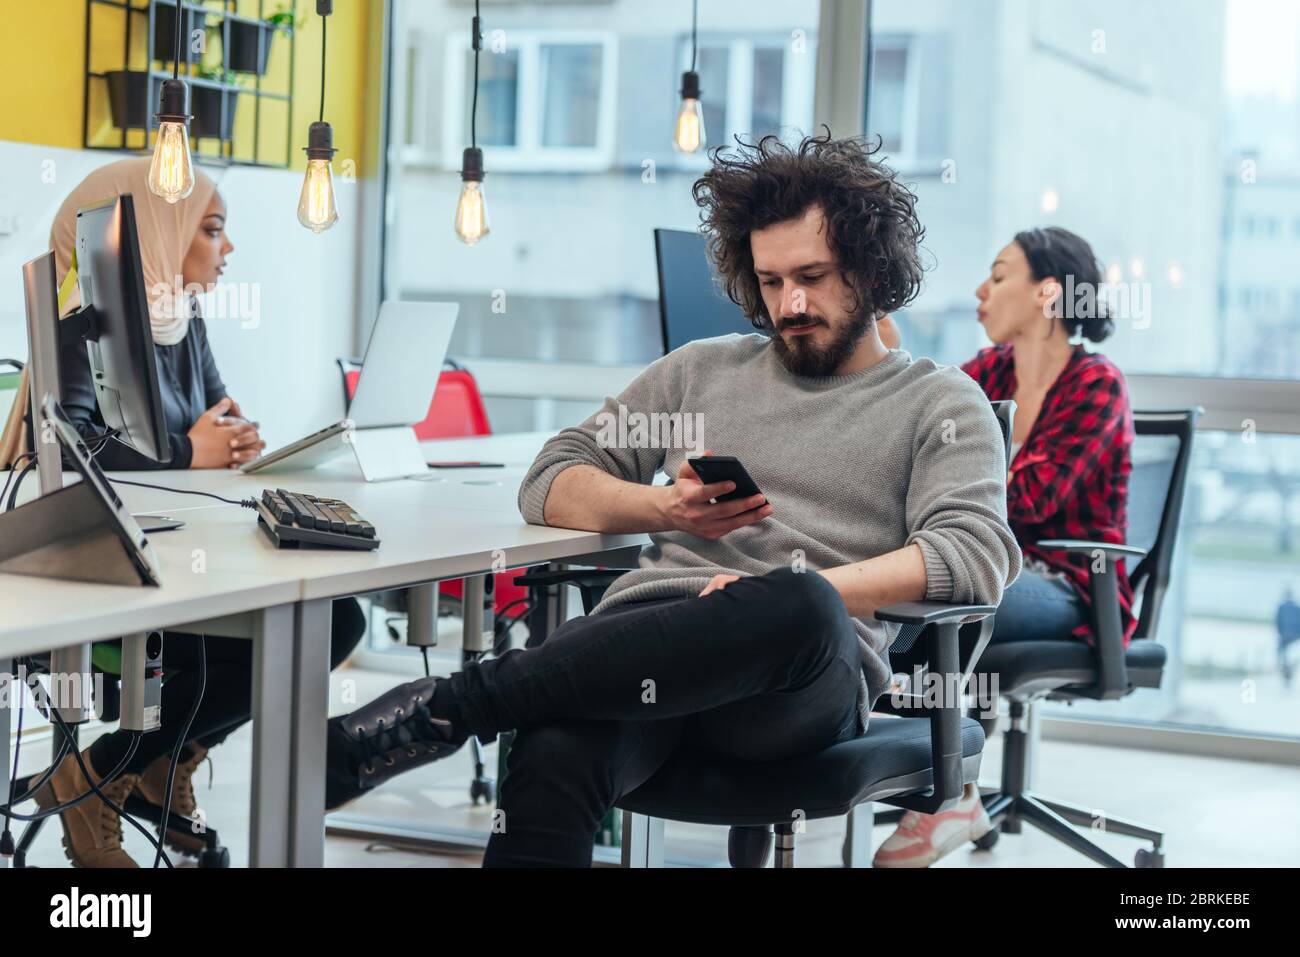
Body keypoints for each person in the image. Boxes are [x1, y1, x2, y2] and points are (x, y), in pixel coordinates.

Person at [319, 132, 1021, 867]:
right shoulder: (701, 371)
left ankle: (457, 705)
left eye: (812, 275)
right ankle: (464, 708)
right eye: (772, 280)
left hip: (797, 679)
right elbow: (551, 477)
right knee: (555, 747)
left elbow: (974, 553)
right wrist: (665, 508)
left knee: (800, 602)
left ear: (871, 270)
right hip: (647, 654)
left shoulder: (938, 401)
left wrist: (797, 586)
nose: (791, 302)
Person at [32, 157, 366, 867]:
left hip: (186, 558)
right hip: (114, 578)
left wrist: (224, 442)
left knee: (340, 618)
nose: (229, 249)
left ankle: (155, 764)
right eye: (212, 230)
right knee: (302, 631)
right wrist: (190, 452)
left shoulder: (180, 320)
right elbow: (75, 450)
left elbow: (223, 421)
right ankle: (94, 774)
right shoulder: (77, 328)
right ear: (158, 231)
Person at [873, 226, 1136, 867]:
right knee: (932, 585)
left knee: (960, 584)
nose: (980, 290)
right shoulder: (986, 372)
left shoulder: (1096, 384)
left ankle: (947, 793)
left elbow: (1028, 499)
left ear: (1048, 293)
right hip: (994, 565)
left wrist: (950, 484)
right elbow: (917, 455)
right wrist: (886, 371)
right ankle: (934, 779)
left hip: (1070, 583)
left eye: (998, 275)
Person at [1278, 588, 1300, 687]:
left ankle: (1286, 673)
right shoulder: (1297, 608)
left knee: (1283, 656)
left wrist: (1281, 632)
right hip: (1295, 637)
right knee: (1293, 657)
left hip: (1284, 636)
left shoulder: (1281, 607)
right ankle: (1290, 673)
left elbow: (1277, 622)